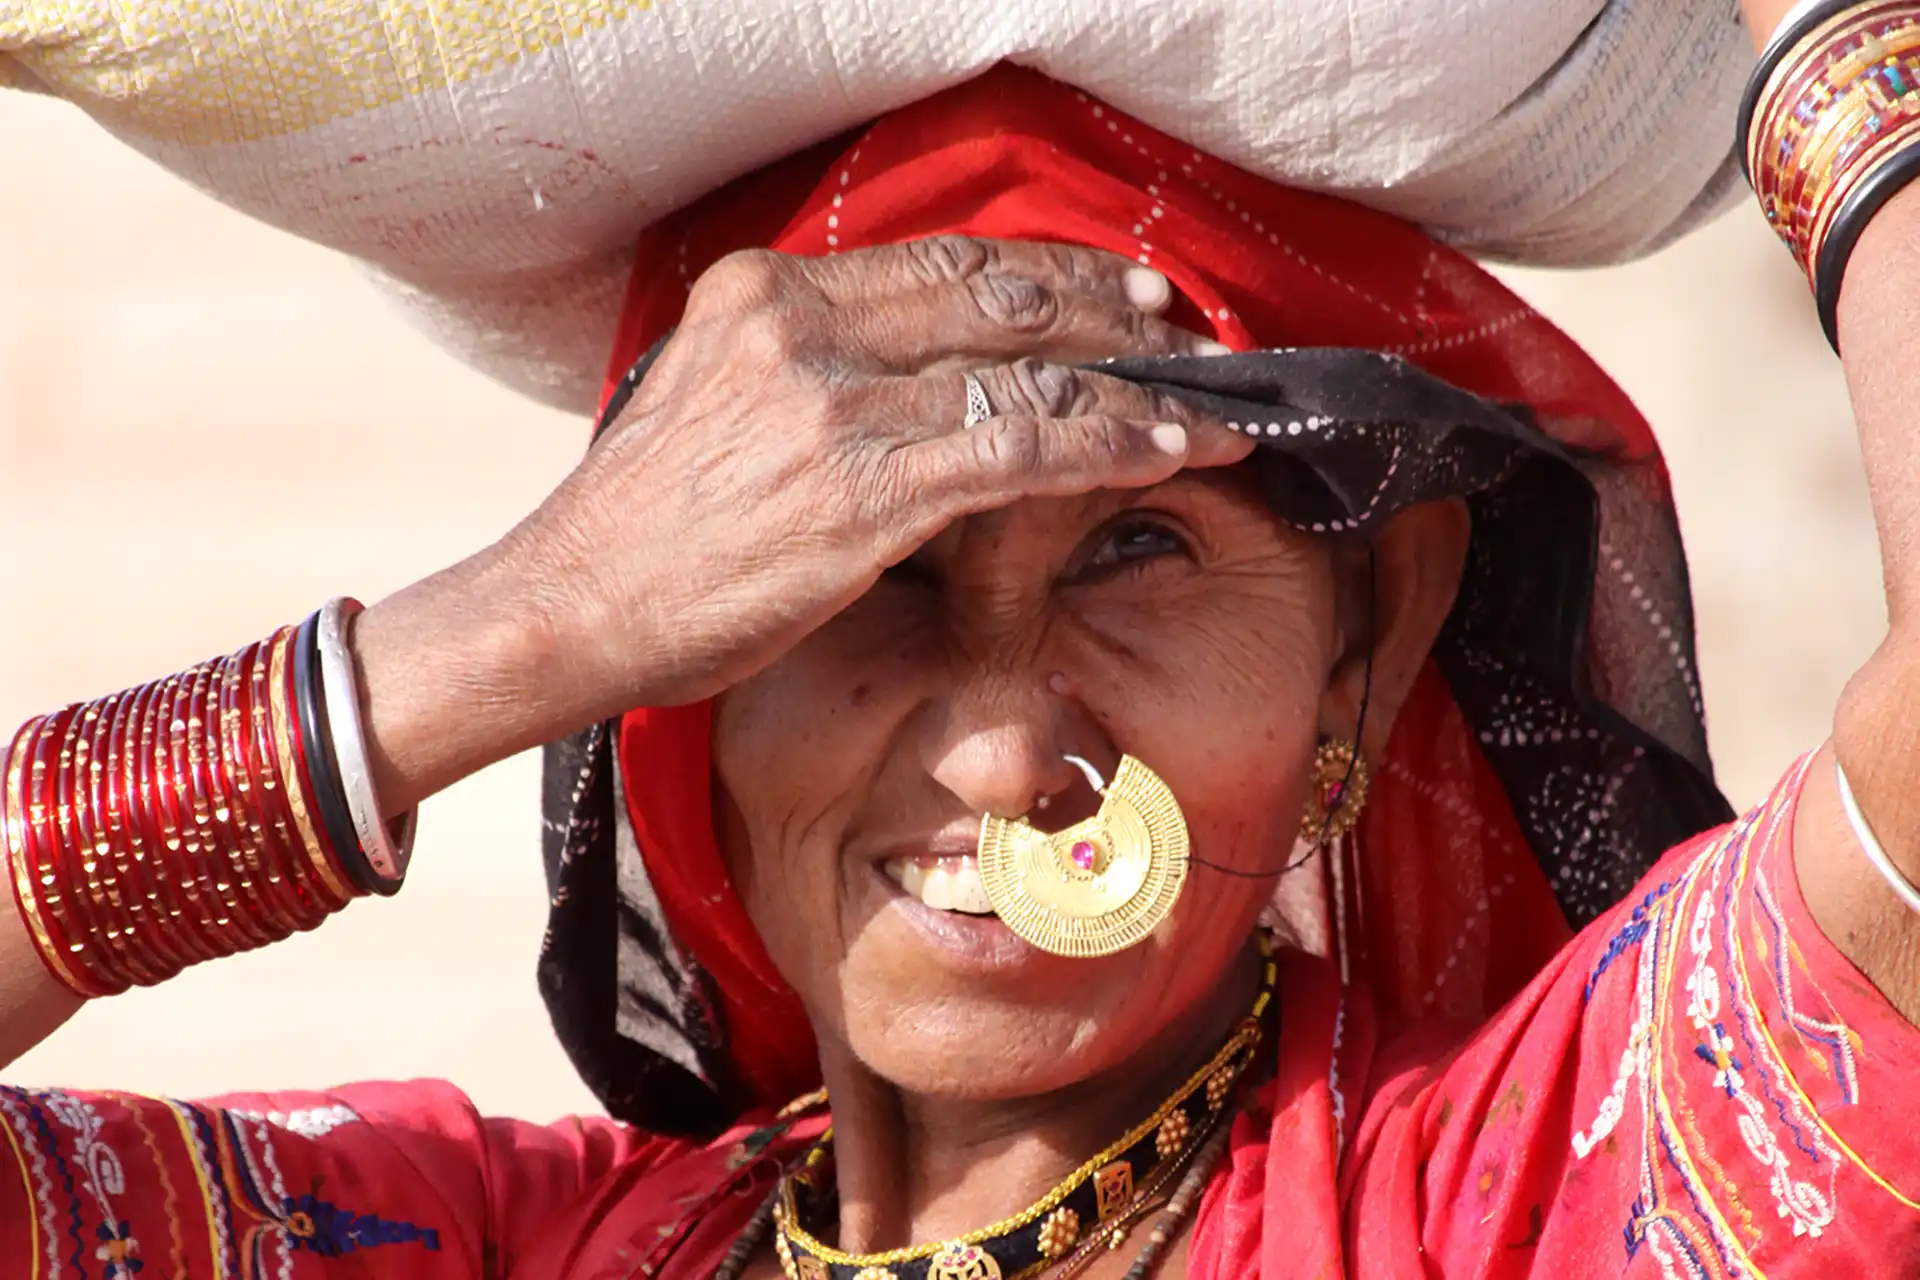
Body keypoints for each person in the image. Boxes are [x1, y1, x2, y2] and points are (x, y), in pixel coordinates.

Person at [5, 1, 1920, 1276]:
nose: (1005, 763)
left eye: (1140, 550)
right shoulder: (507, 1249)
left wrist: (1847, 64)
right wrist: (511, 626)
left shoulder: (1520, 1180)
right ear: (682, 673)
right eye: (867, 572)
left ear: (1363, 647)